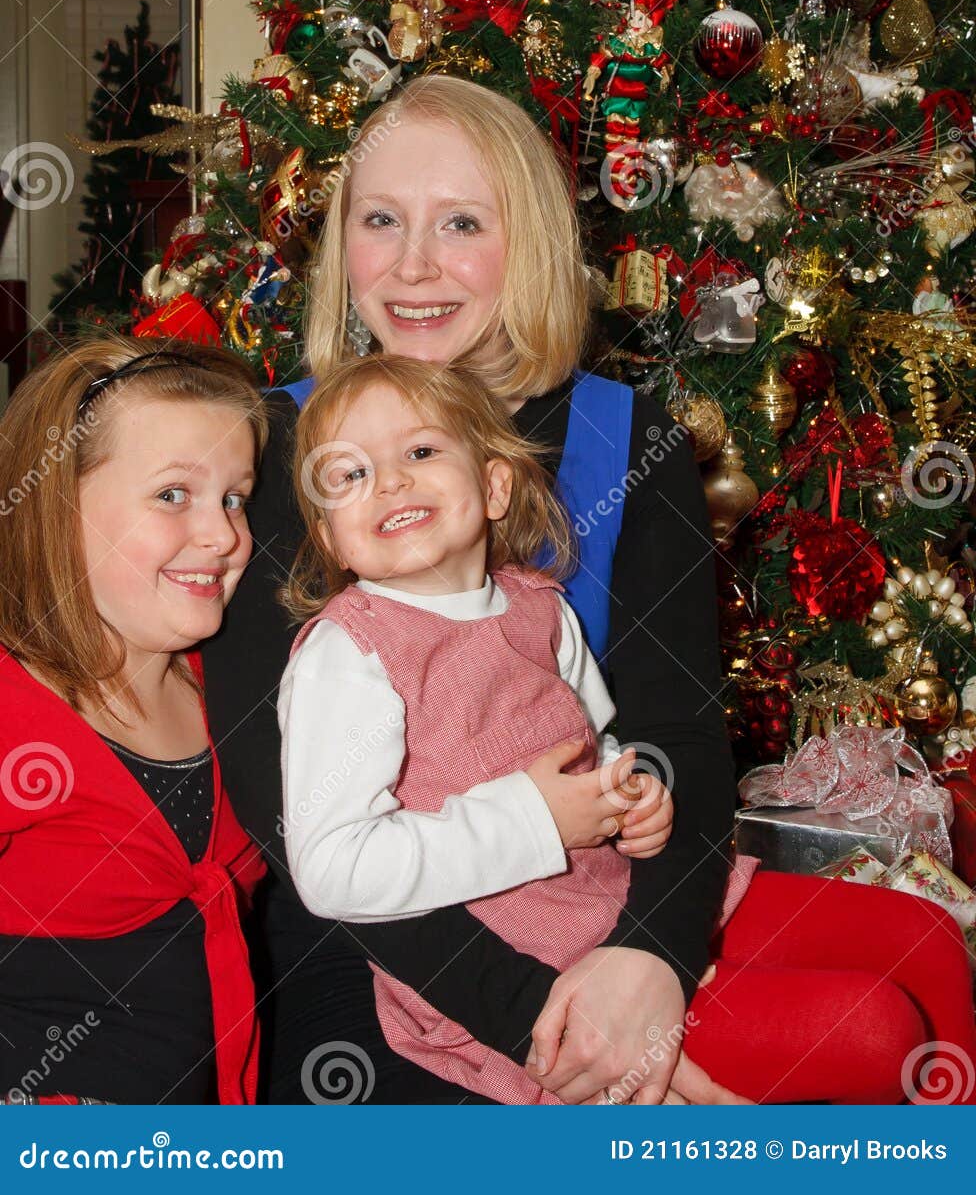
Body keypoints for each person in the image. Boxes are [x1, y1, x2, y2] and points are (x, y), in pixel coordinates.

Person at [202, 75, 976, 1106]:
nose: (414, 264)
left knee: (923, 939)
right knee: (868, 1034)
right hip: (401, 952)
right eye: (380, 220)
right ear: (341, 245)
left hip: (605, 881)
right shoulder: (285, 450)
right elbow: (293, 821)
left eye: (462, 222)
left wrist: (651, 956)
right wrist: (551, 1011)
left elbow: (677, 741)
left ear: (525, 244)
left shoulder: (627, 439)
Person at [278, 353, 674, 1103]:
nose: (389, 482)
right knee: (865, 1027)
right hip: (515, 970)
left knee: (909, 944)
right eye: (350, 474)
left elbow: (597, 747)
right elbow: (331, 870)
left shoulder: (541, 608)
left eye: (421, 452)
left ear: (494, 486)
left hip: (615, 920)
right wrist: (536, 818)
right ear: (332, 538)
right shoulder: (348, 652)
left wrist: (630, 796)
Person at [0, 334, 267, 1104]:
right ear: (57, 503)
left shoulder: (238, 690)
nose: (222, 535)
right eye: (172, 495)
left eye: (234, 498)